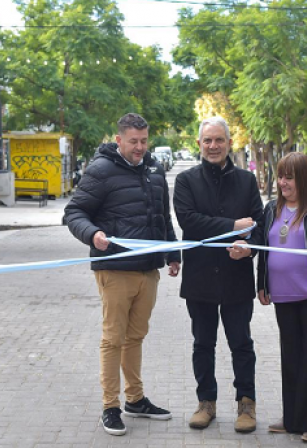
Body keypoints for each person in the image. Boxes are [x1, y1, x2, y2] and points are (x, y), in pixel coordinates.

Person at [63, 113, 181, 436]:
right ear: (119, 140)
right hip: (114, 268)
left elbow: (163, 216)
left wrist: (173, 253)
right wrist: (92, 235)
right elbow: (73, 212)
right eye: (133, 141)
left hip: (149, 270)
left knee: (136, 336)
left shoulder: (155, 171)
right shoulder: (100, 171)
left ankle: (136, 399)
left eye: (144, 141)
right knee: (113, 339)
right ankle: (110, 407)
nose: (140, 147)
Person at [232, 152, 307, 443]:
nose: (282, 182)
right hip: (284, 297)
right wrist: (258, 274)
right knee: (292, 357)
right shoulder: (271, 208)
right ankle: (294, 417)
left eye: (289, 177)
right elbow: (262, 244)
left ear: (303, 178)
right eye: (280, 176)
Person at [173, 116, 264, 433]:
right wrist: (233, 227)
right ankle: (206, 403)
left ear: (229, 143)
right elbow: (189, 221)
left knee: (242, 344)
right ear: (199, 144)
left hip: (237, 276)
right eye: (207, 140)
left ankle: (246, 404)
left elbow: (258, 225)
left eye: (219, 140)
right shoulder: (185, 181)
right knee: (203, 345)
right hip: (200, 278)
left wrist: (248, 247)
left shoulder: (246, 181)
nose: (213, 146)